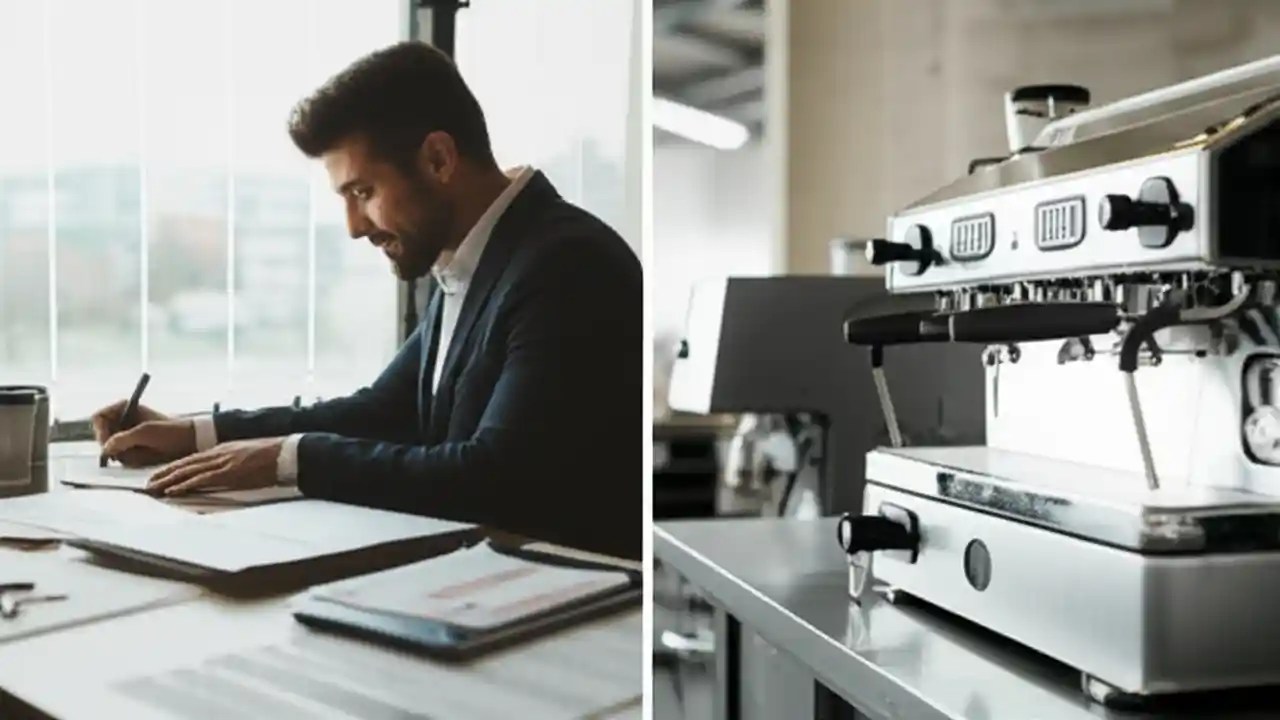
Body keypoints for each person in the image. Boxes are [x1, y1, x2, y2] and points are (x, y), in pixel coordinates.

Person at [92, 41, 641, 560]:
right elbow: (386, 411)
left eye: (363, 193)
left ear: (438, 159)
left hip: (572, 613)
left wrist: (291, 459)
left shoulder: (567, 264)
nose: (355, 227)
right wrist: (195, 435)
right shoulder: (474, 258)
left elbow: (494, 478)